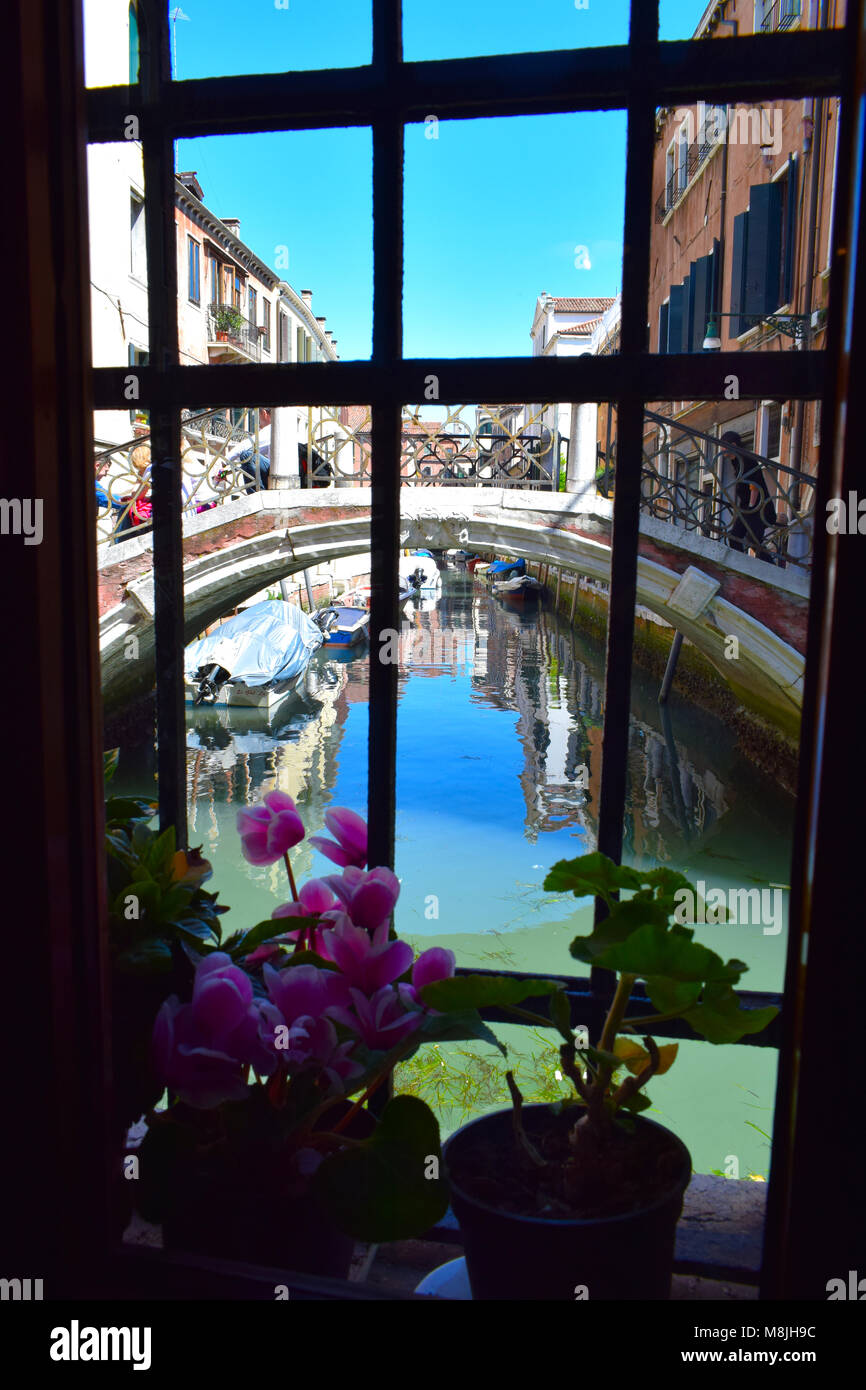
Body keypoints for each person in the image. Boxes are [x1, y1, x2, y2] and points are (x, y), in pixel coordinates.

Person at [720, 430, 777, 563]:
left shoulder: (746, 459)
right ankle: (741, 564)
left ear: (733, 445)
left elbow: (754, 485)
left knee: (753, 540)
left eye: (723, 446)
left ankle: (770, 568)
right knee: (735, 537)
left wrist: (751, 507)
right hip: (747, 507)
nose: (721, 450)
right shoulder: (736, 461)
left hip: (757, 508)